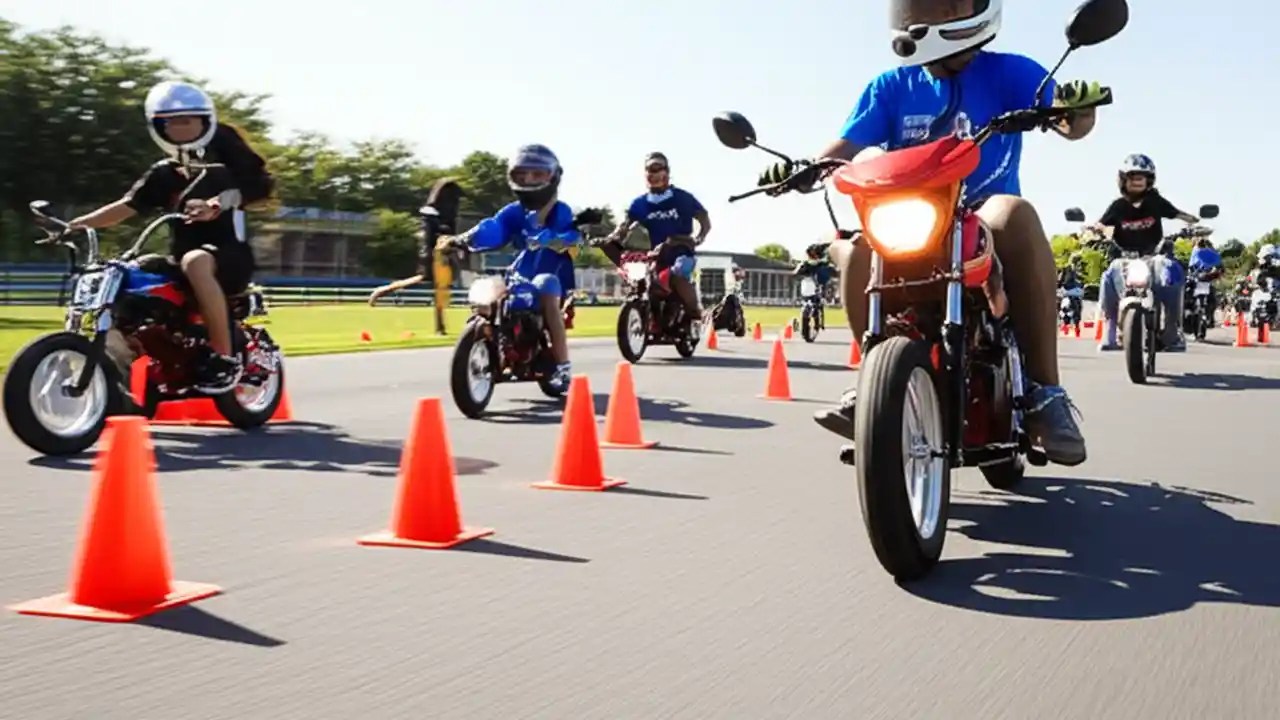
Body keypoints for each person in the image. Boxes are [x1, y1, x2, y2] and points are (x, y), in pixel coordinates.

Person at [755, 0, 1104, 467]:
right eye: (921, 7)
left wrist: (1076, 109)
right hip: (912, 213)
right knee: (860, 249)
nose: (929, 18)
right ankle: (873, 384)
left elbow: (1067, 120)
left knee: (1013, 213)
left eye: (945, 7)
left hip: (981, 212)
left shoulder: (1009, 73)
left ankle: (1045, 395)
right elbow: (844, 146)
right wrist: (804, 170)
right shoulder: (891, 86)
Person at [69, 80, 273, 393]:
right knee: (127, 271)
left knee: (195, 260)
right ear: (158, 127)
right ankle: (125, 361)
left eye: (187, 120)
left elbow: (260, 184)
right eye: (171, 122)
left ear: (205, 121)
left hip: (228, 255)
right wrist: (75, 225)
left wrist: (218, 203)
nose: (180, 128)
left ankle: (223, 359)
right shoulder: (163, 172)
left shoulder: (223, 162)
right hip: (180, 257)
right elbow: (127, 206)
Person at [436, 144, 579, 387]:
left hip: (552, 275)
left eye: (537, 174)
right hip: (520, 275)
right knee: (490, 292)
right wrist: (462, 240)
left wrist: (552, 238)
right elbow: (493, 228)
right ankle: (494, 343)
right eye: (522, 175)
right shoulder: (514, 212)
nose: (529, 180)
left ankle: (563, 365)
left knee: (546, 286)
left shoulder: (560, 211)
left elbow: (569, 236)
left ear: (553, 177)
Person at [1091, 154, 1200, 352]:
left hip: (1154, 256)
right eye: (1133, 177)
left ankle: (1171, 332)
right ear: (1123, 180)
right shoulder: (1118, 206)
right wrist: (1092, 230)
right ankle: (1110, 331)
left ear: (1150, 180)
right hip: (1125, 257)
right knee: (1108, 275)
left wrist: (1193, 221)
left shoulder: (1155, 201)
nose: (1138, 181)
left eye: (1142, 177)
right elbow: (1102, 223)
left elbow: (1176, 213)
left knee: (1171, 270)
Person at [602, 152, 711, 326]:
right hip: (657, 255)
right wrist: (610, 239)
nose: (653, 174)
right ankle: (654, 320)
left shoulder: (682, 197)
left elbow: (704, 218)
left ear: (666, 172)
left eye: (657, 168)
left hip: (682, 252)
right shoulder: (639, 204)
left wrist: (699, 238)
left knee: (678, 272)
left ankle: (696, 313)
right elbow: (624, 226)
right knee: (643, 282)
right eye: (649, 170)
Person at [368, 177, 467, 335]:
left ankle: (383, 291)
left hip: (439, 252)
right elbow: (433, 236)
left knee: (436, 285)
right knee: (439, 288)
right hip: (434, 253)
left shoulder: (441, 213)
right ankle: (439, 327)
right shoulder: (433, 213)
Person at [794, 242, 837, 327]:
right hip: (808, 287)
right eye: (811, 254)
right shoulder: (805, 264)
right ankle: (809, 317)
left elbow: (832, 273)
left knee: (819, 299)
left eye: (814, 253)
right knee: (808, 301)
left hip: (819, 286)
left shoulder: (824, 264)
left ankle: (818, 317)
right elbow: (797, 272)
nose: (813, 255)